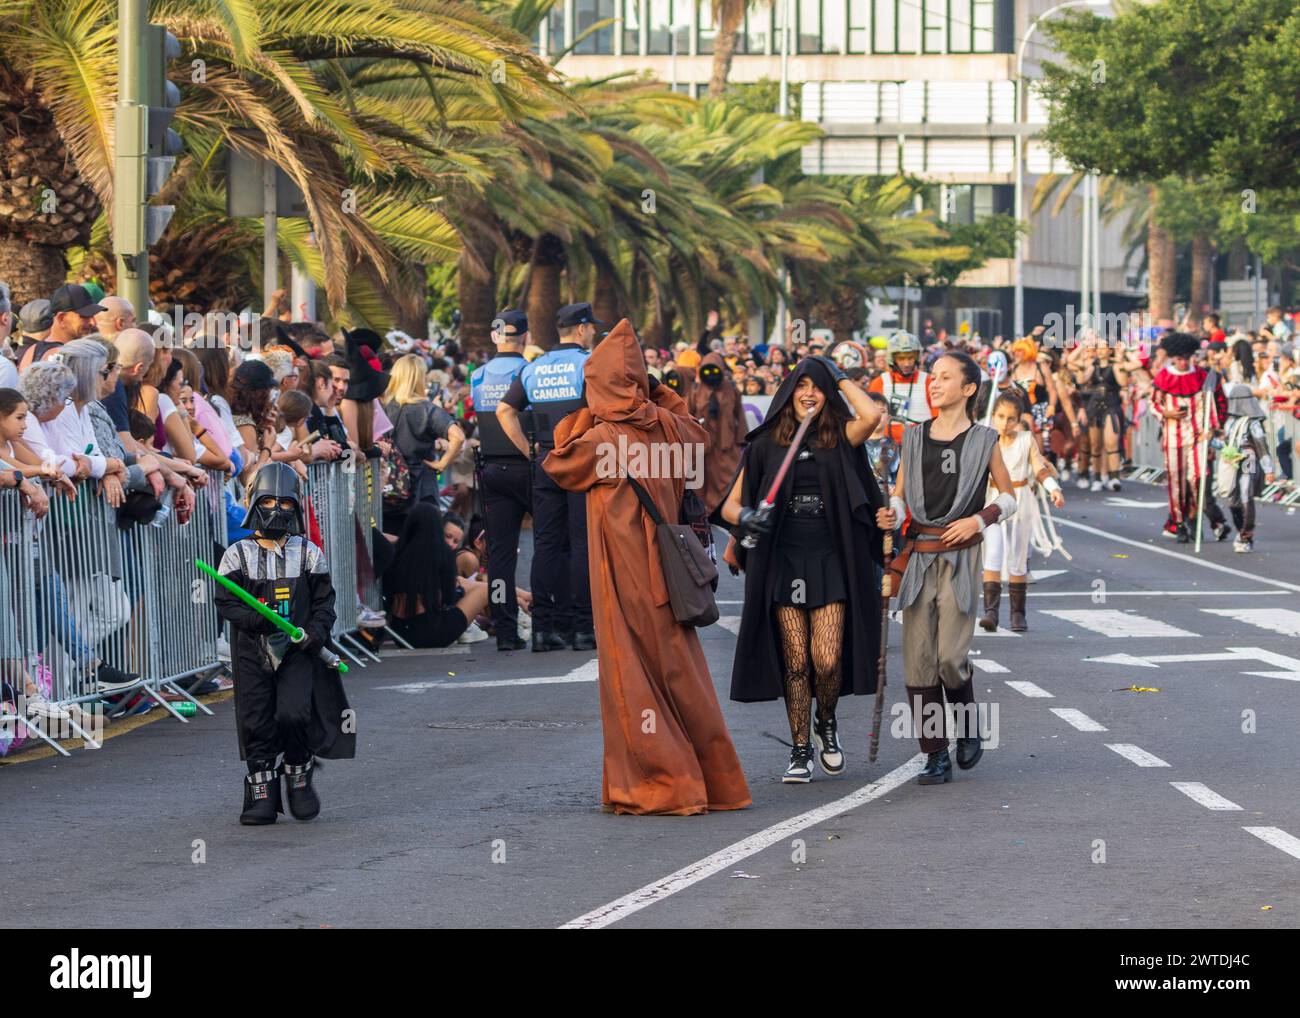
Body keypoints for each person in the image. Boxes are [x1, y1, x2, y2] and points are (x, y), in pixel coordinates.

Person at [543, 320, 751, 815]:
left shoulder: (601, 439)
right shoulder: (669, 426)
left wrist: (589, 412)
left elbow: (557, 460)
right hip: (667, 570)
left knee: (632, 675)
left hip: (623, 573)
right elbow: (697, 434)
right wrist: (654, 393)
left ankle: (662, 783)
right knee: (682, 673)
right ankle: (719, 783)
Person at [725, 356, 885, 783]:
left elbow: (871, 413)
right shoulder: (764, 445)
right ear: (789, 392)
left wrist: (837, 375)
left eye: (817, 386)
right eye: (801, 385)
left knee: (827, 661)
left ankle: (826, 724)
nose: (808, 393)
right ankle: (799, 749)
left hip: (831, 557)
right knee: (795, 663)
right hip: (783, 558)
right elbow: (729, 504)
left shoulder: (840, 437)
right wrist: (744, 520)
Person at [876, 352, 1017, 786]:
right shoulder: (915, 436)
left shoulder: (985, 440)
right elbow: (899, 495)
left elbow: (1009, 497)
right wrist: (892, 512)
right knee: (919, 662)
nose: (934, 384)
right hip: (919, 554)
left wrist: (979, 520)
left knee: (950, 658)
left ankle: (968, 725)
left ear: (969, 388)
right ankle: (935, 754)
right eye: (932, 377)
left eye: (945, 377)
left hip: (961, 556)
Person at [215, 463, 355, 825]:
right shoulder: (236, 555)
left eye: (286, 503)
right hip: (252, 653)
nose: (277, 510)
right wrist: (257, 617)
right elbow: (226, 603)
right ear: (253, 502)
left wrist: (315, 633)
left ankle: (298, 770)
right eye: (269, 500)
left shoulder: (309, 554)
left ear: (297, 505)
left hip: (296, 653)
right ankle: (261, 787)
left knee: (294, 712)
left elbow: (325, 602)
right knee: (256, 718)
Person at [497, 302, 599, 652]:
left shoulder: (534, 368)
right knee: (583, 544)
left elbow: (504, 410)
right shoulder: (588, 364)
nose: (594, 333)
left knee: (547, 545)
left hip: (545, 459)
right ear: (582, 329)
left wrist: (529, 448)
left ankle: (544, 629)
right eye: (592, 328)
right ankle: (584, 628)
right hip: (580, 460)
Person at [469, 310, 532, 650]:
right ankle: (553, 619)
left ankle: (505, 632)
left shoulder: (478, 375)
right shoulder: (528, 371)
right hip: (527, 463)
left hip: (492, 468)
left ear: (495, 337)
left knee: (500, 555)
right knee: (552, 544)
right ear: (527, 336)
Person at [980, 392, 1065, 632]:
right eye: (1000, 417)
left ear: (1018, 420)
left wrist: (1053, 489)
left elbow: (1039, 469)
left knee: (1017, 558)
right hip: (994, 499)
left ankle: (1018, 613)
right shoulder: (986, 438)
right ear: (993, 416)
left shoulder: (1026, 439)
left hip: (1020, 500)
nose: (1005, 423)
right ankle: (991, 612)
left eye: (1011, 419)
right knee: (993, 553)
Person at [1151, 332, 1230, 543]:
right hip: (1173, 436)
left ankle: (1203, 519)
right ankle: (1179, 523)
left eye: (1187, 357)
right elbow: (1154, 403)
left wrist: (1213, 429)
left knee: (1197, 479)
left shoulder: (1203, 376)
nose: (1183, 362)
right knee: (1177, 483)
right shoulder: (1163, 377)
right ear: (1172, 358)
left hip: (1198, 437)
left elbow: (1214, 404)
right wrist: (1166, 413)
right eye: (1179, 358)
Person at [382, 502, 491, 648]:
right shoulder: (442, 554)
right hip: (432, 632)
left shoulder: (396, 551)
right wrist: (462, 592)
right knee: (489, 588)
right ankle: (502, 622)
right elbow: (449, 599)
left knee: (480, 585)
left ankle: (501, 618)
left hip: (399, 633)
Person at [688, 350, 747, 517]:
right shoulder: (695, 392)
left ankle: (725, 510)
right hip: (702, 446)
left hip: (725, 444)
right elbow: (686, 415)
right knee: (701, 481)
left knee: (728, 478)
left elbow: (739, 415)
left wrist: (741, 438)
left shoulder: (731, 390)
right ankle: (702, 511)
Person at [1216, 383, 1272, 553]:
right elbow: (1226, 443)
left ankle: (1246, 535)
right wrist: (1208, 441)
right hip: (1232, 461)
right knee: (1233, 500)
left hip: (1249, 459)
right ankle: (1241, 530)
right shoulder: (1230, 422)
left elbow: (1261, 446)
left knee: (1246, 494)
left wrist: (1268, 469)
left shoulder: (1253, 423)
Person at [868, 330, 934, 424]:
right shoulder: (879, 382)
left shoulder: (928, 381)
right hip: (888, 438)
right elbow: (871, 416)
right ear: (892, 359)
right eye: (901, 358)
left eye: (910, 358)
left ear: (916, 358)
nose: (906, 364)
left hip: (921, 437)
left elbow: (938, 414)